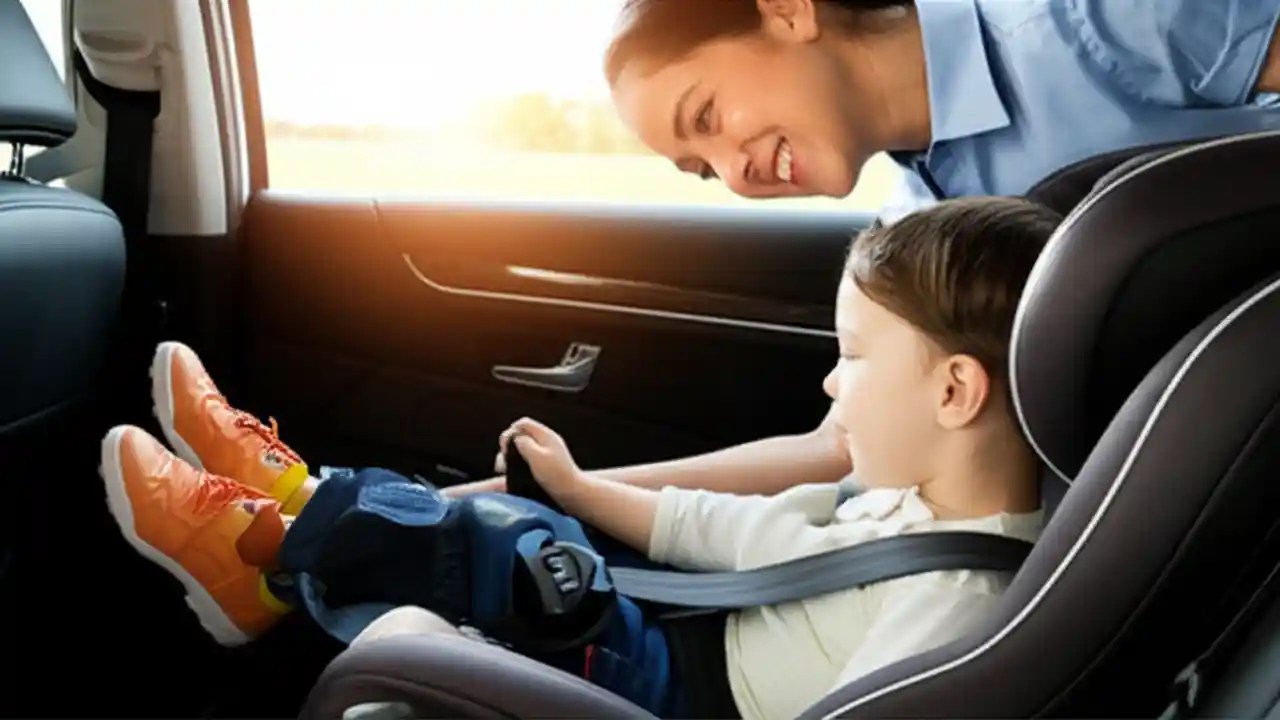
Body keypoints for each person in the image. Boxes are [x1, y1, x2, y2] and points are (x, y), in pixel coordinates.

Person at [102, 196, 1058, 720]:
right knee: (532, 522)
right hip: (691, 632)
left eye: (852, 358)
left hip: (680, 695)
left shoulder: (956, 604)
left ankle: (268, 545)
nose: (830, 383)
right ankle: (291, 506)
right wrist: (582, 490)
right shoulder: (905, 498)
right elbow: (728, 534)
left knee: (495, 543)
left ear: (954, 393)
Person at [442, 0, 1280, 502]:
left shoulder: (1087, 23)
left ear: (787, 10)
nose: (733, 171)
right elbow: (843, 448)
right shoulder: (913, 235)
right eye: (702, 170)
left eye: (707, 117)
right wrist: (554, 493)